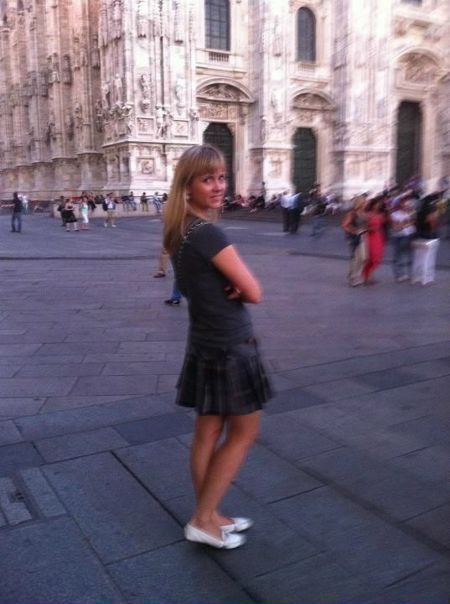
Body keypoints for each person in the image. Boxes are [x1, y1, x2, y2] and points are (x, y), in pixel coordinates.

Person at [163, 144, 272, 549]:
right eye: (207, 179)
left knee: (207, 431)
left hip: (204, 341)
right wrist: (240, 289)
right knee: (244, 432)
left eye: (222, 177)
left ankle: (209, 515)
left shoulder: (179, 230)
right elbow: (254, 292)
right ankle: (202, 519)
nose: (218, 186)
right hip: (230, 344)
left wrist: (231, 286)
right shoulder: (208, 233)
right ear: (187, 186)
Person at [411, 193, 441, 285]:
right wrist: (434, 229)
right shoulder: (432, 208)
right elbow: (431, 220)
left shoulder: (418, 210)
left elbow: (413, 221)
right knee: (428, 258)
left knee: (418, 258)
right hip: (429, 236)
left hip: (418, 235)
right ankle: (426, 278)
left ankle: (416, 278)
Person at [341, 196, 368, 287]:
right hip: (354, 238)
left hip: (362, 236)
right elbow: (344, 225)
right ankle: (353, 277)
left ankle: (356, 275)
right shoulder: (352, 214)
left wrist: (365, 229)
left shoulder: (363, 213)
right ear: (360, 204)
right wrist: (354, 231)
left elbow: (364, 225)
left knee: (363, 258)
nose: (366, 204)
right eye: (364, 203)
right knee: (356, 258)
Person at [362, 196, 388, 285]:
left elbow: (386, 223)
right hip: (370, 236)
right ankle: (366, 277)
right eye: (376, 204)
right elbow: (363, 226)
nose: (377, 206)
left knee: (377, 257)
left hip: (378, 237)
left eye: (379, 205)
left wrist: (388, 211)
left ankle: (370, 275)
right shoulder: (367, 214)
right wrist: (370, 229)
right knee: (370, 257)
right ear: (372, 205)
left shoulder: (381, 215)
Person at [390, 196, 415, 282]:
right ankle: (399, 275)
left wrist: (405, 223)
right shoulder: (395, 214)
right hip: (399, 237)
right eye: (406, 203)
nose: (408, 205)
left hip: (410, 236)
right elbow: (396, 228)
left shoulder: (410, 213)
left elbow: (412, 224)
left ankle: (408, 274)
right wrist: (406, 223)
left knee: (409, 256)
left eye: (409, 204)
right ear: (401, 204)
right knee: (398, 256)